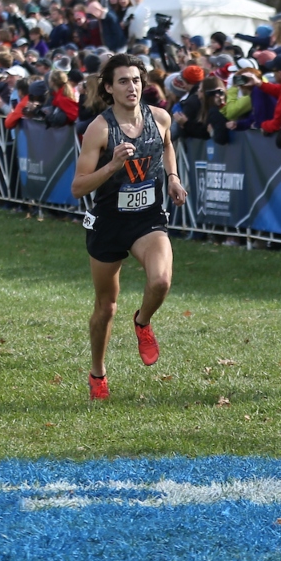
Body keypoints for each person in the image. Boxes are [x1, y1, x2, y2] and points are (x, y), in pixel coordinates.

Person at [69, 53, 187, 400]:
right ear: (109, 87)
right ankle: (97, 374)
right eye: (123, 81)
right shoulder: (100, 129)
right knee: (106, 307)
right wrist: (112, 166)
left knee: (161, 280)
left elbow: (166, 147)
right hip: (108, 223)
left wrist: (173, 178)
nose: (131, 87)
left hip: (148, 219)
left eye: (136, 80)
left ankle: (143, 322)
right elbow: (78, 186)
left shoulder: (160, 117)